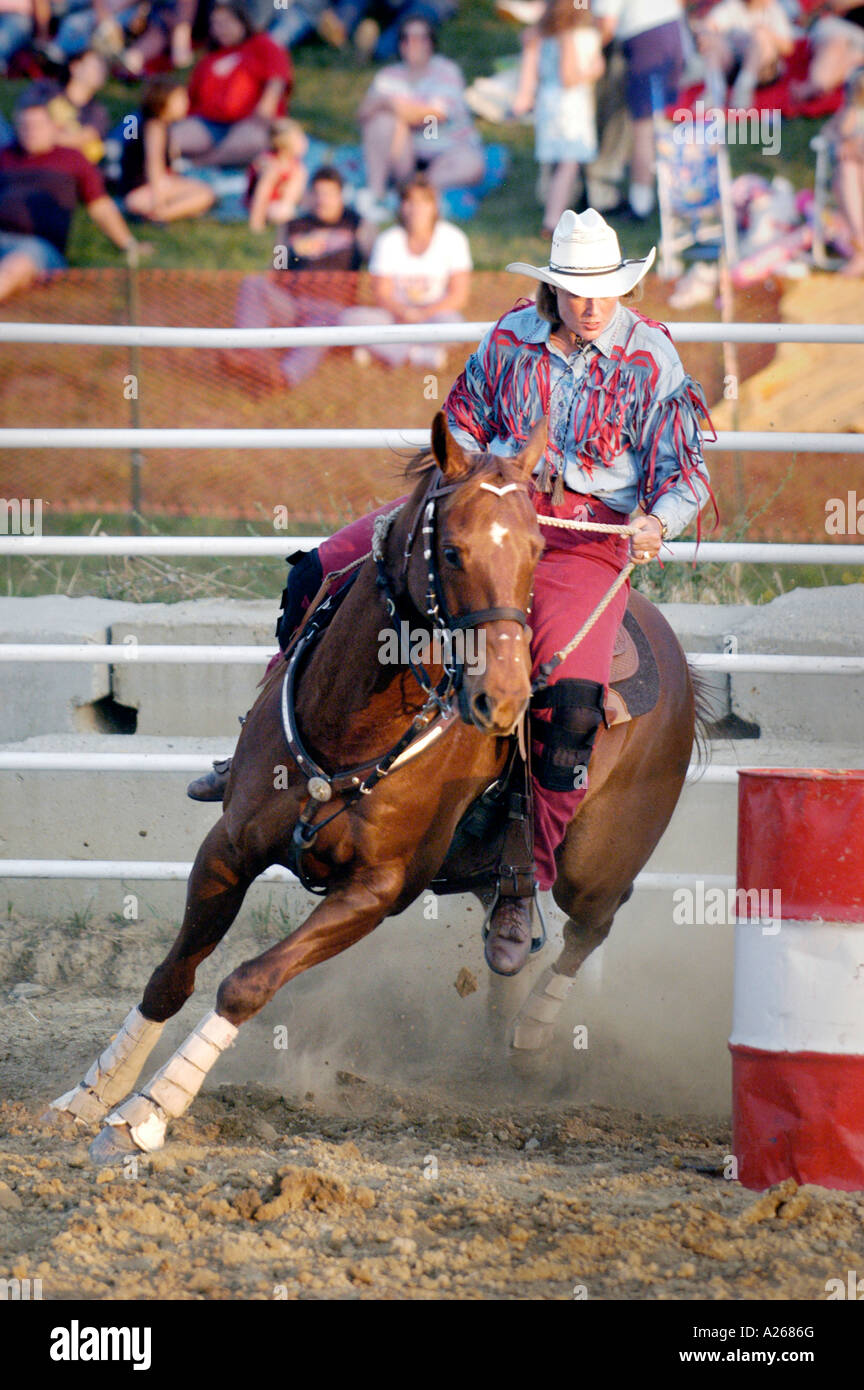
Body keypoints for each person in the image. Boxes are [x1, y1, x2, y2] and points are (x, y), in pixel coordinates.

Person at [189, 208, 715, 978]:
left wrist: (655, 520)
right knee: (316, 574)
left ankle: (519, 877)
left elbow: (688, 470)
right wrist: (463, 486)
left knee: (568, 704)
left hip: (582, 538)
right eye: (575, 289)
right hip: (485, 506)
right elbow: (462, 416)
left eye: (603, 288)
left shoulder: (653, 357)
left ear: (623, 287)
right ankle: (253, 754)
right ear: (554, 289)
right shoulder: (510, 338)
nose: (590, 303)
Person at [0, 83, 147, 304]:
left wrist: (128, 244)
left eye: (37, 126)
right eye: (25, 126)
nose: (30, 132)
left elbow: (100, 206)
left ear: (54, 127)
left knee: (16, 266)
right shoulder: (5, 156)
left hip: (37, 247)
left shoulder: (71, 159)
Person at [221, 164, 365, 390]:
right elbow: (275, 268)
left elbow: (375, 258)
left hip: (330, 311)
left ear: (340, 196)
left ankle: (282, 377)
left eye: (329, 194)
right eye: (317, 193)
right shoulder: (293, 226)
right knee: (253, 284)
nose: (322, 200)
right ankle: (249, 354)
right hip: (293, 305)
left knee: (320, 331)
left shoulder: (357, 223)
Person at [356, 12, 486, 220]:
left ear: (431, 42)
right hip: (405, 152)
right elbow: (363, 113)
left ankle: (417, 192)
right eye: (406, 38)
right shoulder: (388, 76)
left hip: (447, 151)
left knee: (472, 164)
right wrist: (399, 110)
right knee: (380, 123)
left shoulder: (447, 71)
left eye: (419, 38)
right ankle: (377, 194)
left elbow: (434, 115)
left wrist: (390, 104)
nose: (412, 44)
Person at [341, 172, 471, 370]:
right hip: (395, 318)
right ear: (401, 206)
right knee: (350, 319)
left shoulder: (453, 238)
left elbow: (458, 295)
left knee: (456, 326)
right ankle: (417, 355)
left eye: (423, 202)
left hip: (434, 316)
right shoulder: (388, 240)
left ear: (434, 206)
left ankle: (384, 349)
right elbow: (381, 293)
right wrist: (404, 312)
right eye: (410, 201)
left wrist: (423, 313)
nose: (416, 209)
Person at [511, 0, 605, 236]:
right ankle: (552, 220)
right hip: (570, 105)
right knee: (569, 161)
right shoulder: (570, 35)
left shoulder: (540, 34)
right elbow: (569, 76)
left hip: (547, 101)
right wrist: (592, 72)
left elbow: (529, 71)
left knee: (557, 162)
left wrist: (523, 97)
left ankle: (556, 208)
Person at [591, 0, 688, 220]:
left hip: (645, 42)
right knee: (662, 120)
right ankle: (678, 194)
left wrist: (587, 50)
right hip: (673, 32)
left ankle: (641, 203)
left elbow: (606, 24)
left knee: (643, 127)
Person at [168, 2, 293, 168]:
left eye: (226, 22)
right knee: (170, 139)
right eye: (216, 24)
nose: (221, 29)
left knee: (255, 141)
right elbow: (191, 96)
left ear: (241, 21)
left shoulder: (263, 44)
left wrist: (265, 108)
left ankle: (199, 163)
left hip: (250, 122)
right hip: (209, 123)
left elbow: (277, 79)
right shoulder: (209, 58)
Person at [119, 77, 216, 222]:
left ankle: (165, 209)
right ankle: (161, 214)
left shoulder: (153, 124)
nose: (186, 104)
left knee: (194, 189)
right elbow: (154, 164)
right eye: (181, 100)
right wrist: (159, 202)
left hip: (137, 188)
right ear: (163, 101)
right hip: (141, 192)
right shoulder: (155, 128)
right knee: (206, 194)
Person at [695, 0, 796, 109]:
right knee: (713, 43)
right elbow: (708, 26)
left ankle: (744, 90)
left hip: (764, 72)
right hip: (734, 69)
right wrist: (708, 35)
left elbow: (788, 47)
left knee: (759, 37)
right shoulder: (732, 6)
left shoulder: (774, 10)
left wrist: (767, 34)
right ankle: (714, 91)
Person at [823, 65, 864, 274]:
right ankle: (861, 246)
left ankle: (861, 249)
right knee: (846, 169)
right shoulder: (852, 113)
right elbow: (830, 133)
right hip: (852, 177)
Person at [44, 49, 111, 164]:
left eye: (102, 68)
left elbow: (86, 137)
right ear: (74, 67)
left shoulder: (98, 112)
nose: (100, 71)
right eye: (94, 66)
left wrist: (45, 137)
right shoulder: (46, 92)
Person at [247, 117, 309, 231]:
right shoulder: (271, 166)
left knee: (300, 173)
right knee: (283, 212)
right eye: (300, 139)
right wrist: (256, 223)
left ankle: (290, 208)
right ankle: (289, 212)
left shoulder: (294, 164)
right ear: (286, 144)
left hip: (284, 202)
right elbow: (261, 195)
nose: (305, 142)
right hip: (266, 206)